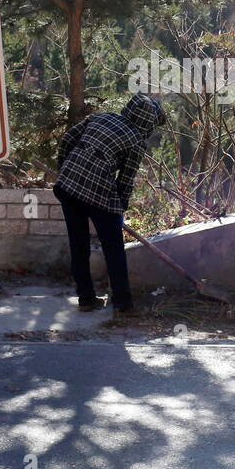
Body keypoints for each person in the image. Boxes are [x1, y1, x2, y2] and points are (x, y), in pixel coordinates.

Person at [53, 93, 167, 313]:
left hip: (67, 187)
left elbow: (68, 139)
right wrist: (118, 211)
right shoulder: (136, 140)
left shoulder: (101, 117)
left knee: (79, 245)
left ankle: (86, 299)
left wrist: (66, 169)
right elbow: (125, 181)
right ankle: (123, 305)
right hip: (98, 193)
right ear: (148, 121)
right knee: (113, 249)